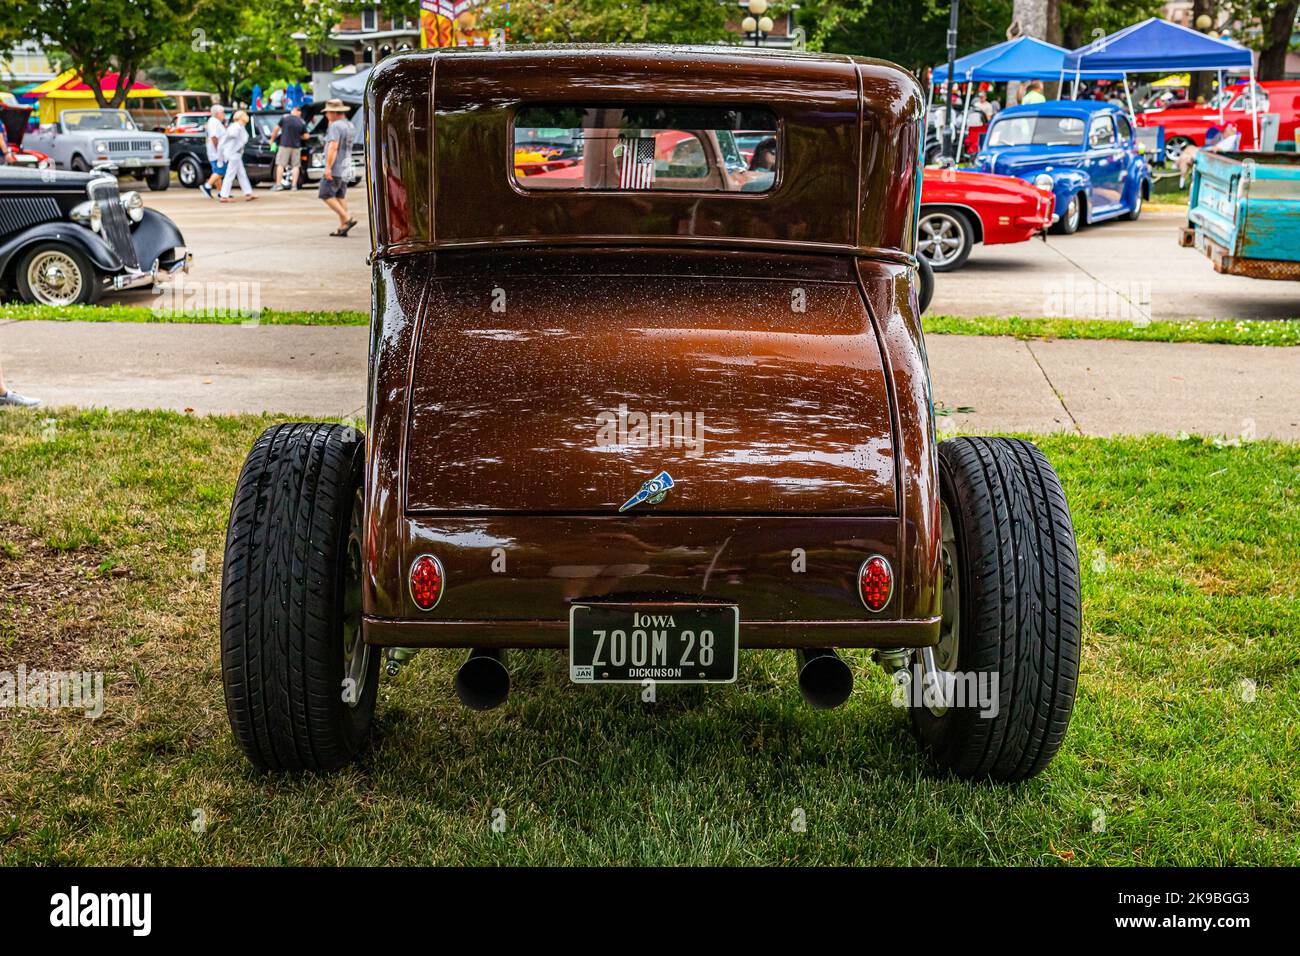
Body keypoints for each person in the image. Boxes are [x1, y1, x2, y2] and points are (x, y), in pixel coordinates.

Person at [318, 99, 357, 237]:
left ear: (334, 112)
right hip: (346, 166)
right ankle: (343, 226)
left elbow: (333, 146)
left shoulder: (336, 126)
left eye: (328, 112)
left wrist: (328, 168)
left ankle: (346, 218)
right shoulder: (350, 125)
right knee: (340, 195)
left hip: (336, 167)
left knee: (325, 194)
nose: (326, 115)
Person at [218, 110, 256, 202]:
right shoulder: (236, 127)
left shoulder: (238, 126)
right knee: (230, 174)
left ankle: (248, 193)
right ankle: (224, 195)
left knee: (241, 173)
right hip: (234, 154)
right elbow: (231, 137)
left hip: (236, 154)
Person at [269, 106, 306, 191]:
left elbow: (276, 129)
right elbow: (306, 136)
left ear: (293, 111)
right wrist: (299, 136)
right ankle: (294, 186)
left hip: (284, 145)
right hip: (296, 147)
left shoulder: (285, 119)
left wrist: (272, 140)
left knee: (280, 164)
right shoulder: (301, 122)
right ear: (298, 112)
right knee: (296, 166)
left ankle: (278, 185)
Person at [200, 105, 227, 198]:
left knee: (216, 171)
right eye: (222, 112)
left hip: (214, 151)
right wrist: (219, 149)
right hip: (216, 152)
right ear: (217, 113)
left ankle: (221, 192)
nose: (224, 115)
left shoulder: (215, 122)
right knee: (221, 171)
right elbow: (214, 137)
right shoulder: (214, 122)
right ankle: (207, 186)